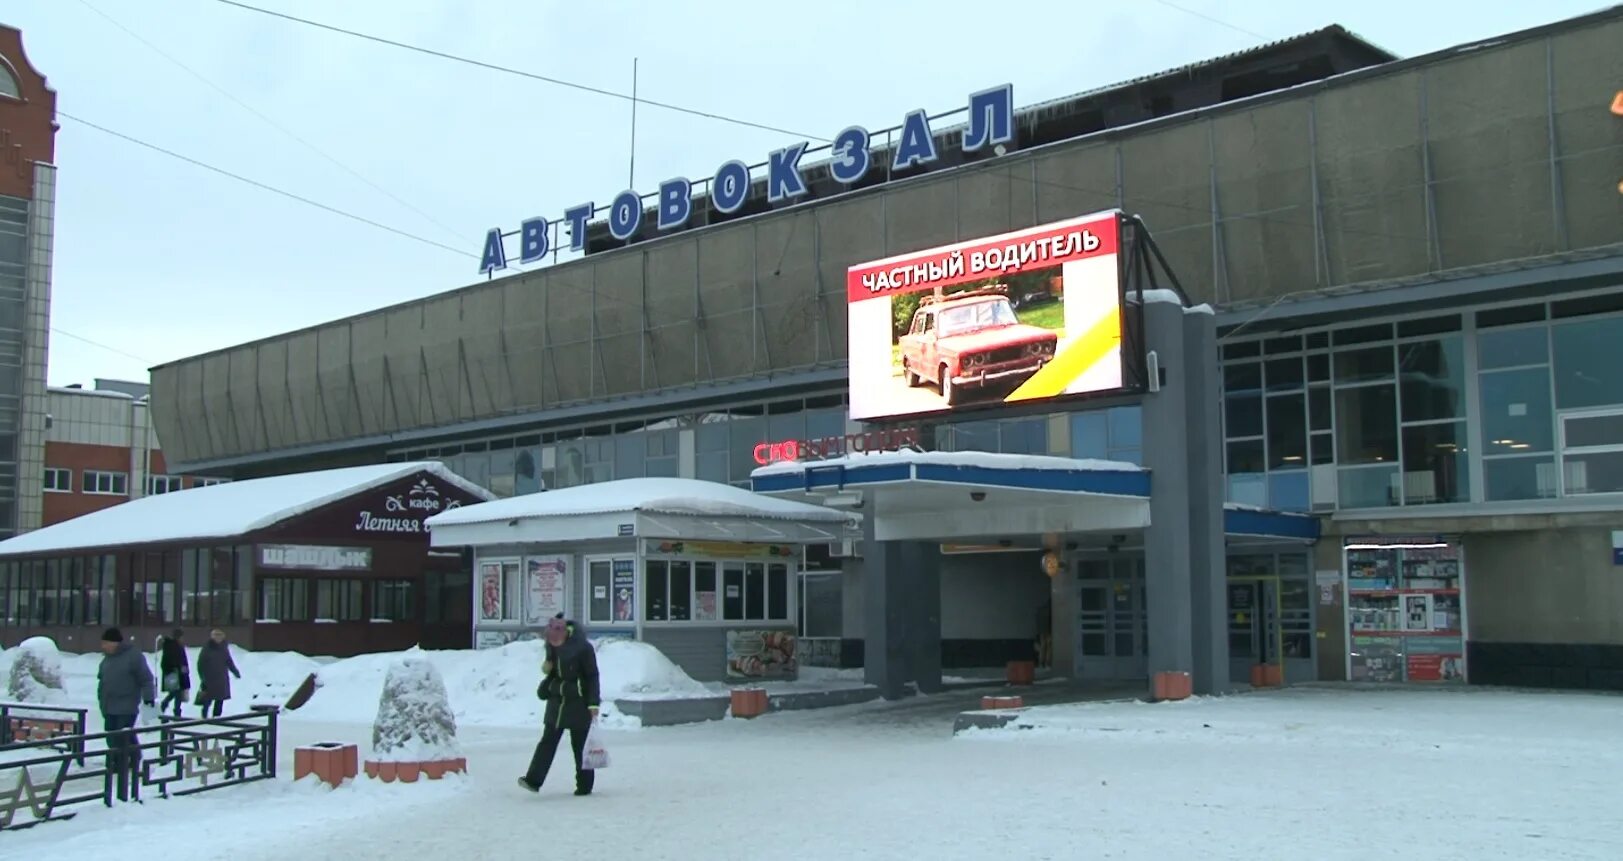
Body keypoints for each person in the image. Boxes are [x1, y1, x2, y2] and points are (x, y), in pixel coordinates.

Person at [518, 615, 600, 796]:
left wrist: (593, 703)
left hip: (578, 702)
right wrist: (548, 674)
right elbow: (553, 671)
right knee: (547, 742)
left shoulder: (583, 648)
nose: (551, 643)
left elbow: (592, 676)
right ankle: (533, 780)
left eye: (554, 640)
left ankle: (585, 786)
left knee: (579, 745)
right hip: (557, 702)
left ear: (564, 634)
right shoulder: (551, 645)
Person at [96, 627, 156, 802]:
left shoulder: (133, 656)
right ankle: (117, 761)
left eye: (106, 643)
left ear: (115, 643)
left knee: (124, 735)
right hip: (108, 705)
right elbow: (102, 680)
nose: (104, 646)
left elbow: (146, 678)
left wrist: (148, 698)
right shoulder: (106, 660)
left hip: (126, 704)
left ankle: (132, 760)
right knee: (111, 734)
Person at [196, 628, 241, 718]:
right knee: (208, 698)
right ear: (212, 637)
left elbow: (229, 661)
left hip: (221, 678)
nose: (218, 638)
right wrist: (203, 677)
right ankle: (204, 716)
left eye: (220, 635)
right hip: (209, 678)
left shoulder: (224, 648)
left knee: (220, 698)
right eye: (216, 635)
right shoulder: (207, 648)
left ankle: (216, 717)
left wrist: (235, 671)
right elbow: (200, 664)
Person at [158, 628, 191, 718]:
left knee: (176, 693)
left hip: (176, 673)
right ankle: (175, 711)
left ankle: (168, 707)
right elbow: (173, 661)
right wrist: (179, 668)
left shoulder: (175, 646)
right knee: (177, 693)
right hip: (174, 673)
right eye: (181, 636)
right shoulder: (173, 646)